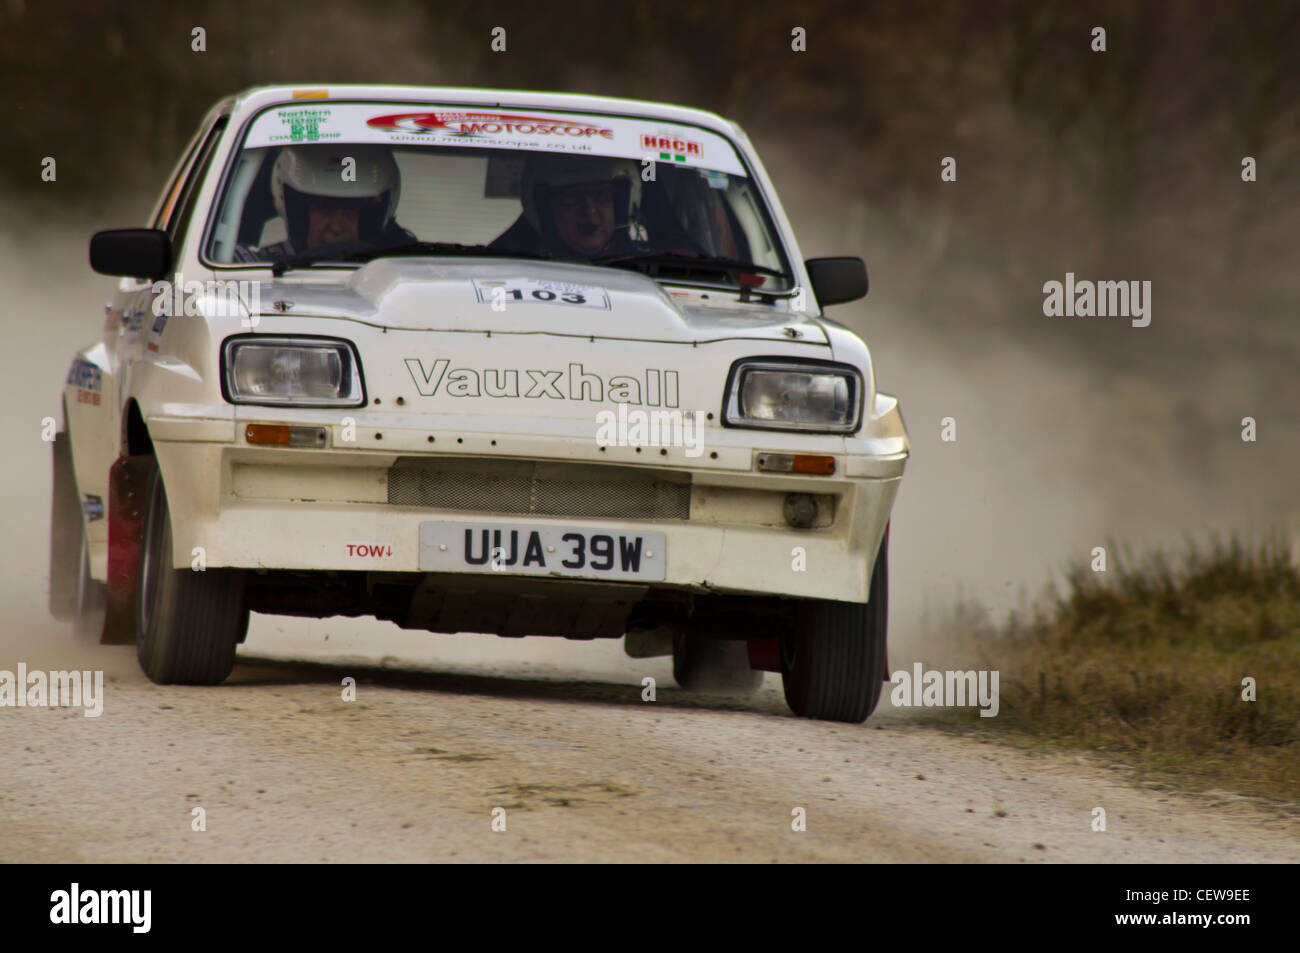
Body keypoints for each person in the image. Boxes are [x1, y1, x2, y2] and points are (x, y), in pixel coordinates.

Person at [237, 145, 413, 262]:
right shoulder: (253, 272)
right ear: (297, 212)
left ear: (374, 216)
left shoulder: (406, 274)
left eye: (351, 210)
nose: (336, 227)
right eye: (324, 208)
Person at [491, 154, 644, 260]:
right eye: (571, 198)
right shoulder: (505, 265)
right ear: (546, 210)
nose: (589, 210)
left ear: (621, 204)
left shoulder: (647, 269)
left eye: (600, 195)